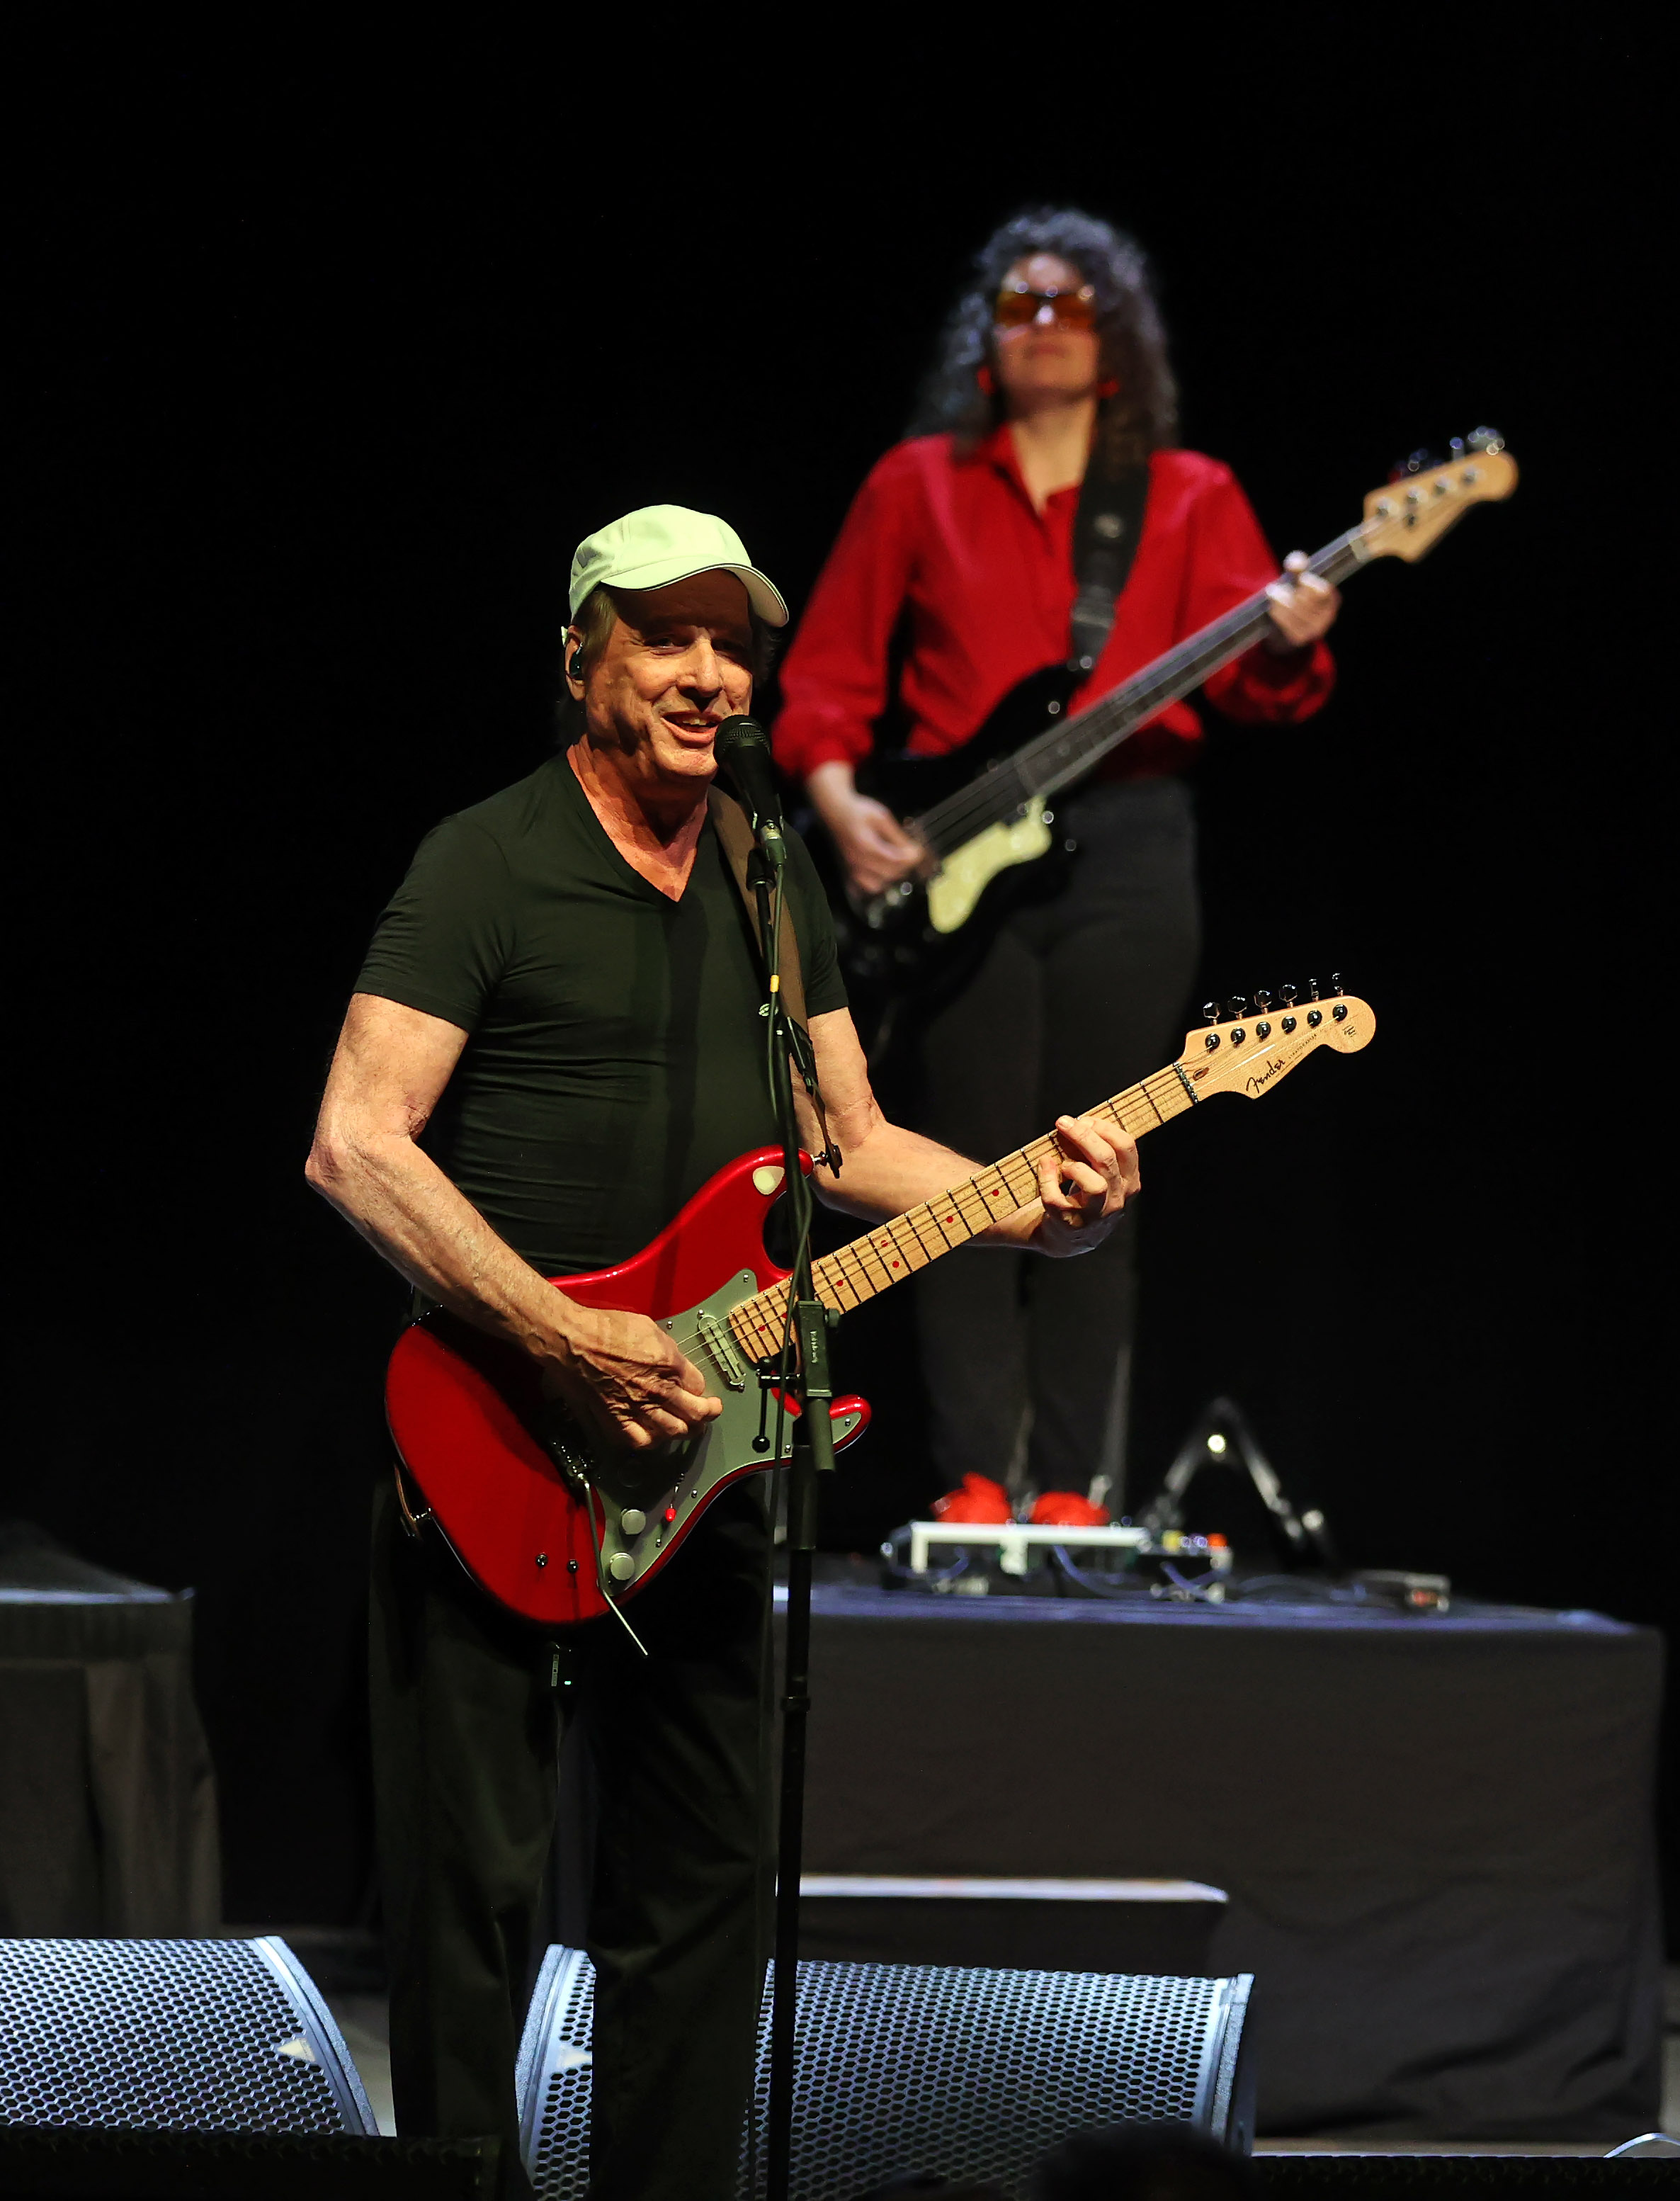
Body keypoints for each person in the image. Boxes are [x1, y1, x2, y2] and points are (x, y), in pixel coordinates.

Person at [305, 507, 1141, 2200]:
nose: (708, 675)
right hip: (497, 1437)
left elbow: (846, 1145)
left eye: (733, 645)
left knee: (702, 1891)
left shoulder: (768, 870)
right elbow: (355, 1145)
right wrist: (558, 1333)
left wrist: (1034, 1208)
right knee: (469, 1902)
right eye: (664, 638)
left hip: (707, 1458)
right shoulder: (488, 858)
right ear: (580, 659)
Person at [774, 208, 1339, 1529]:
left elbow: (1269, 692)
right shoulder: (916, 484)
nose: (1039, 327)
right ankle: (976, 1480)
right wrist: (841, 800)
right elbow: (834, 675)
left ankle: (1076, 1491)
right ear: (987, 338)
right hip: (951, 855)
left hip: (1129, 849)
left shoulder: (1190, 495)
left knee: (1103, 1159)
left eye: (1067, 308)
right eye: (1016, 306)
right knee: (963, 1169)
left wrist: (1295, 634)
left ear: (1115, 342)